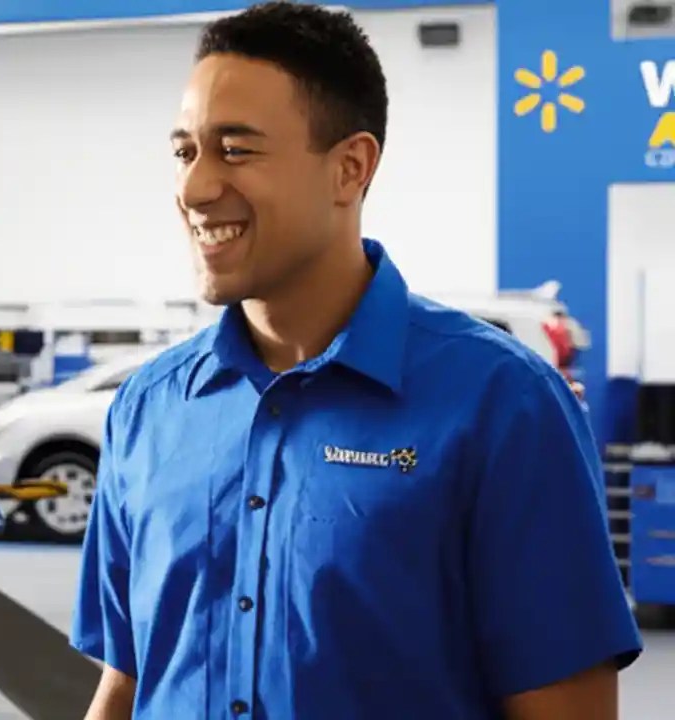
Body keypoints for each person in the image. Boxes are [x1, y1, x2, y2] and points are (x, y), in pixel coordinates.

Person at [71, 4, 641, 719]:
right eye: (186, 151)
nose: (193, 188)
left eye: (236, 149)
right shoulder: (146, 411)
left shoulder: (503, 406)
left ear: (349, 167)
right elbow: (124, 684)